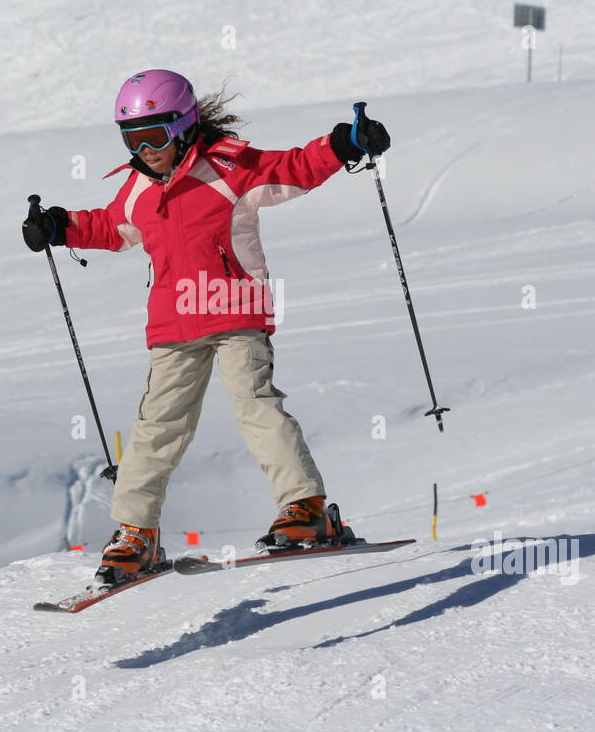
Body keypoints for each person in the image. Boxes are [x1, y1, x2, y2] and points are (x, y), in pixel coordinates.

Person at [23, 69, 390, 589]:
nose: (145, 149)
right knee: (158, 426)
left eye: (155, 135)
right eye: (133, 138)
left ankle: (305, 508)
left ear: (185, 125)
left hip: (235, 309)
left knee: (256, 405)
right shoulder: (135, 190)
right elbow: (111, 227)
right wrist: (60, 226)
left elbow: (293, 168)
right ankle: (136, 534)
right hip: (174, 324)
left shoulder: (227, 167)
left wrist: (344, 143)